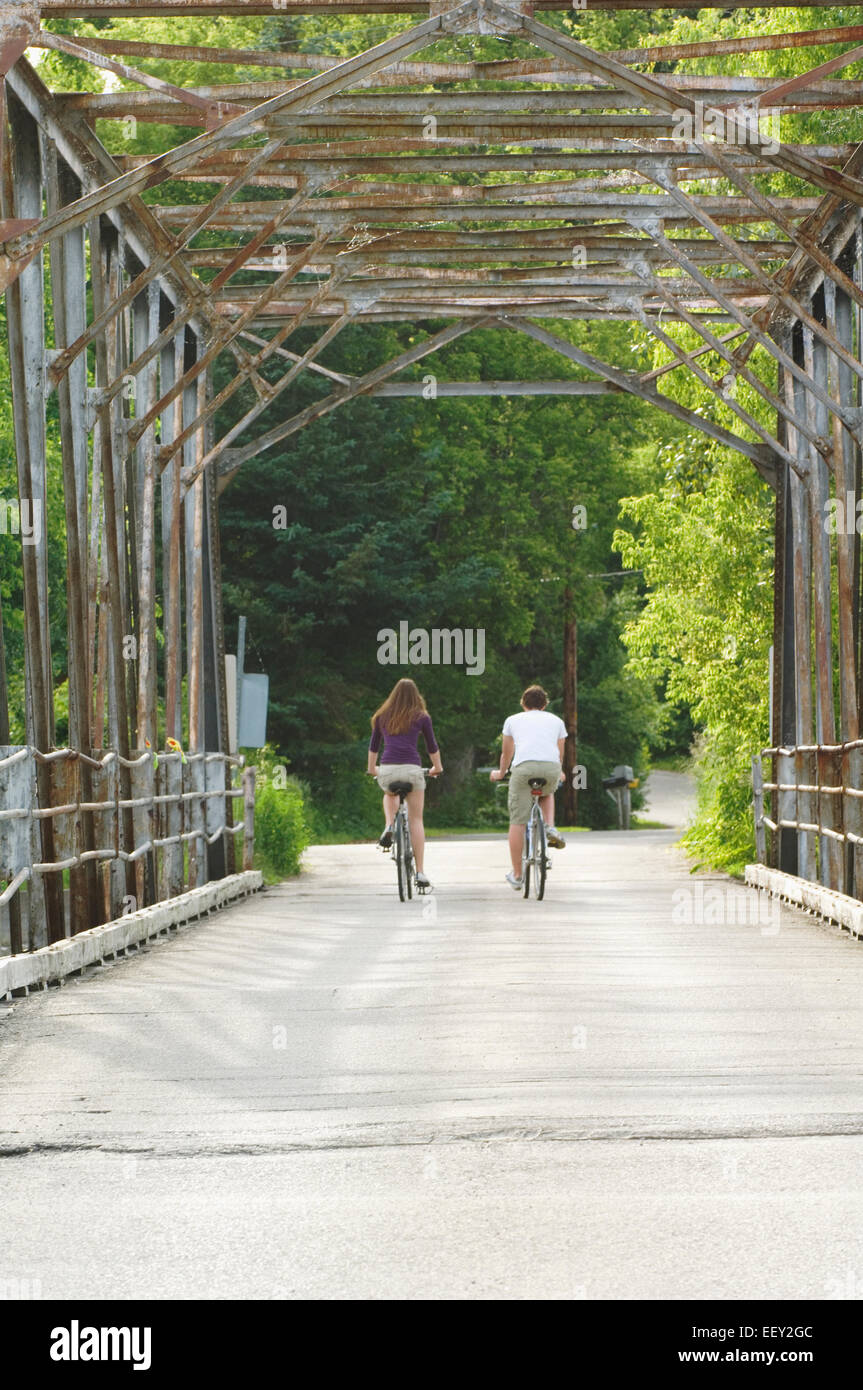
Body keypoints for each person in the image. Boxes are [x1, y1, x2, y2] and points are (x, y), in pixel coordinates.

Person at [368, 677, 442, 891]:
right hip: (412, 769)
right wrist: (437, 767)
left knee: (389, 793)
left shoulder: (381, 716)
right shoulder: (422, 717)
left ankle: (389, 825)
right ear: (416, 696)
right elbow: (431, 745)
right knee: (416, 819)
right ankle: (419, 871)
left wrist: (373, 769)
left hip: (388, 768)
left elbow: (374, 747)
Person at [489, 684, 566, 890]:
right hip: (550, 768)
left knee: (517, 821)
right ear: (545, 704)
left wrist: (501, 773)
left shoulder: (512, 720)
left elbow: (507, 754)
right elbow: (559, 753)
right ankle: (549, 826)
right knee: (547, 793)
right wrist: (559, 771)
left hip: (523, 769)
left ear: (523, 703)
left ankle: (517, 874)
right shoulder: (557, 721)